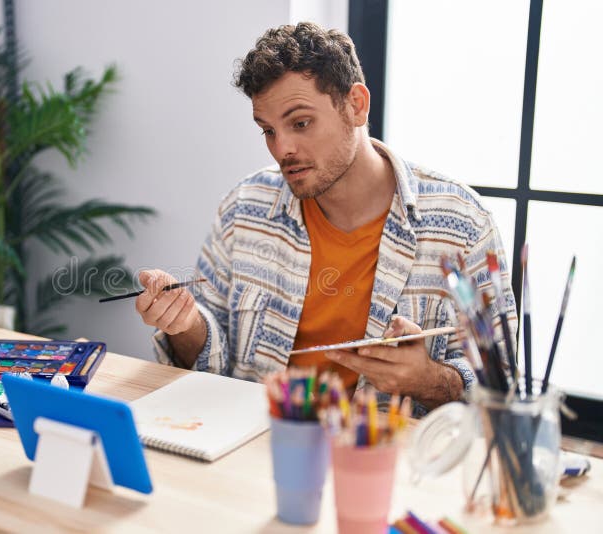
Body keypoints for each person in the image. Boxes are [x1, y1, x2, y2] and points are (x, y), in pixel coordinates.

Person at [134, 22, 517, 415]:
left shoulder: (463, 225)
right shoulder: (243, 209)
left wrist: (427, 379)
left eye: (300, 123)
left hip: (384, 461)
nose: (282, 149)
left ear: (356, 105)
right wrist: (185, 324)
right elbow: (209, 353)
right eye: (268, 130)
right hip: (254, 448)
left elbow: (501, 387)